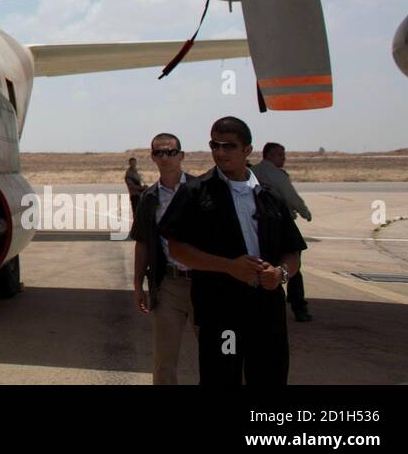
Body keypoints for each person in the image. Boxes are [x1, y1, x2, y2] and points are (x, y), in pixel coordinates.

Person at [161, 116, 306, 385]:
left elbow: (293, 251)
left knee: (269, 376)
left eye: (228, 146)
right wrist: (228, 266)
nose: (220, 152)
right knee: (221, 377)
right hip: (221, 310)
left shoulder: (269, 194)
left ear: (247, 150)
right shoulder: (196, 192)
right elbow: (177, 248)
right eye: (214, 145)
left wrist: (281, 274)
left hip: (267, 310)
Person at [129, 133, 195, 384]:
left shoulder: (200, 190)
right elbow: (143, 243)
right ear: (152, 157)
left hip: (205, 284)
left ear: (181, 155)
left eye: (170, 152)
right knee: (164, 360)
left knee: (218, 354)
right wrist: (138, 286)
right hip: (169, 284)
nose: (165, 158)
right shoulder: (149, 198)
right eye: (159, 153)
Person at [254, 142, 314, 322]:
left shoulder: (253, 171)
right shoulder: (275, 174)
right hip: (279, 224)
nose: (284, 158)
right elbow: (290, 196)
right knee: (292, 265)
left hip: (259, 227)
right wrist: (304, 211)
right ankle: (299, 306)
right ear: (270, 156)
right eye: (280, 155)